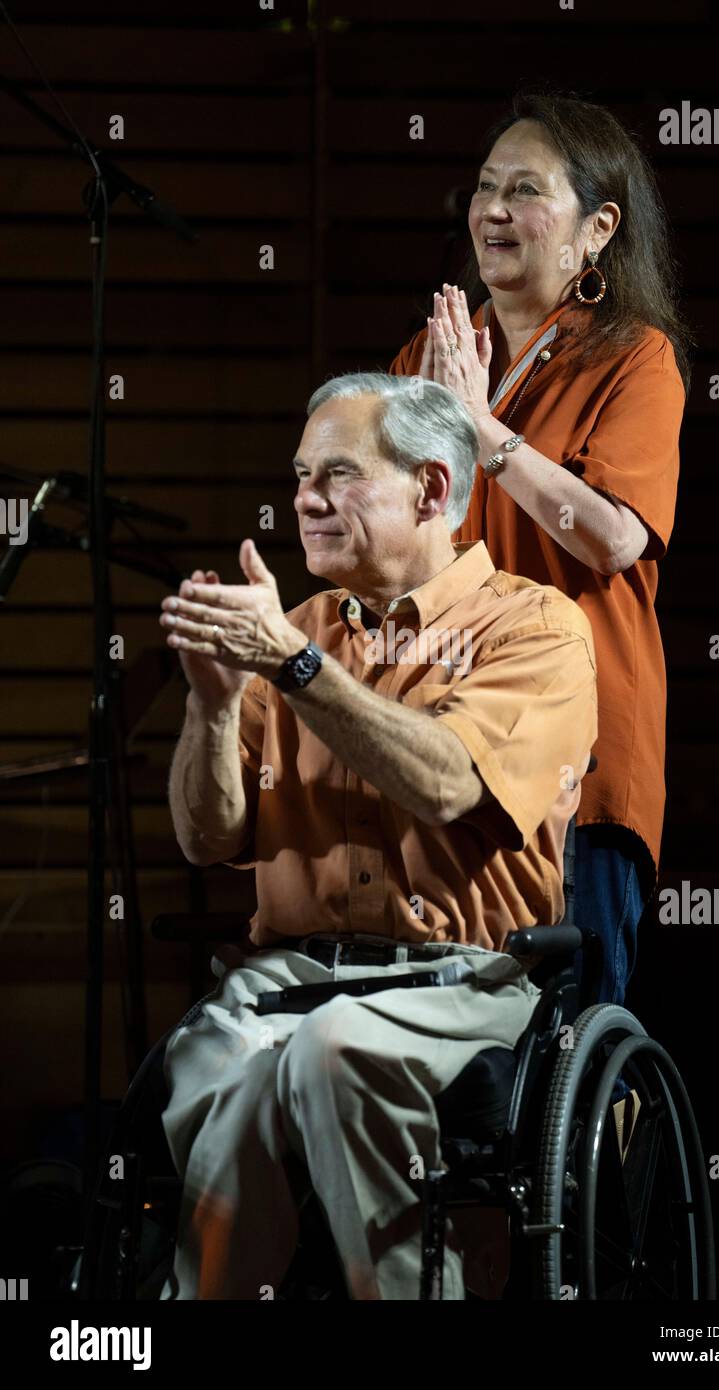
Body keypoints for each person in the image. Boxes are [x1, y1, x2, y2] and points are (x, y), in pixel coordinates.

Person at [156, 371, 597, 1300]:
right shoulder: (294, 634)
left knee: (333, 1046)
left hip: (465, 980)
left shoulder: (534, 627)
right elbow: (206, 838)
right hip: (290, 976)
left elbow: (444, 784)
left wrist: (294, 666)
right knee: (226, 1072)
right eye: (301, 474)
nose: (306, 499)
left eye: (339, 475)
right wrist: (213, 704)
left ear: (432, 488)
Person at [390, 87, 692, 1007]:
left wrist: (478, 430)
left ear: (596, 228)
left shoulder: (633, 358)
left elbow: (610, 538)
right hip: (446, 747)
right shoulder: (431, 353)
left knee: (561, 1041)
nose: (492, 210)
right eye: (485, 187)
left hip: (582, 761)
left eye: (525, 190)